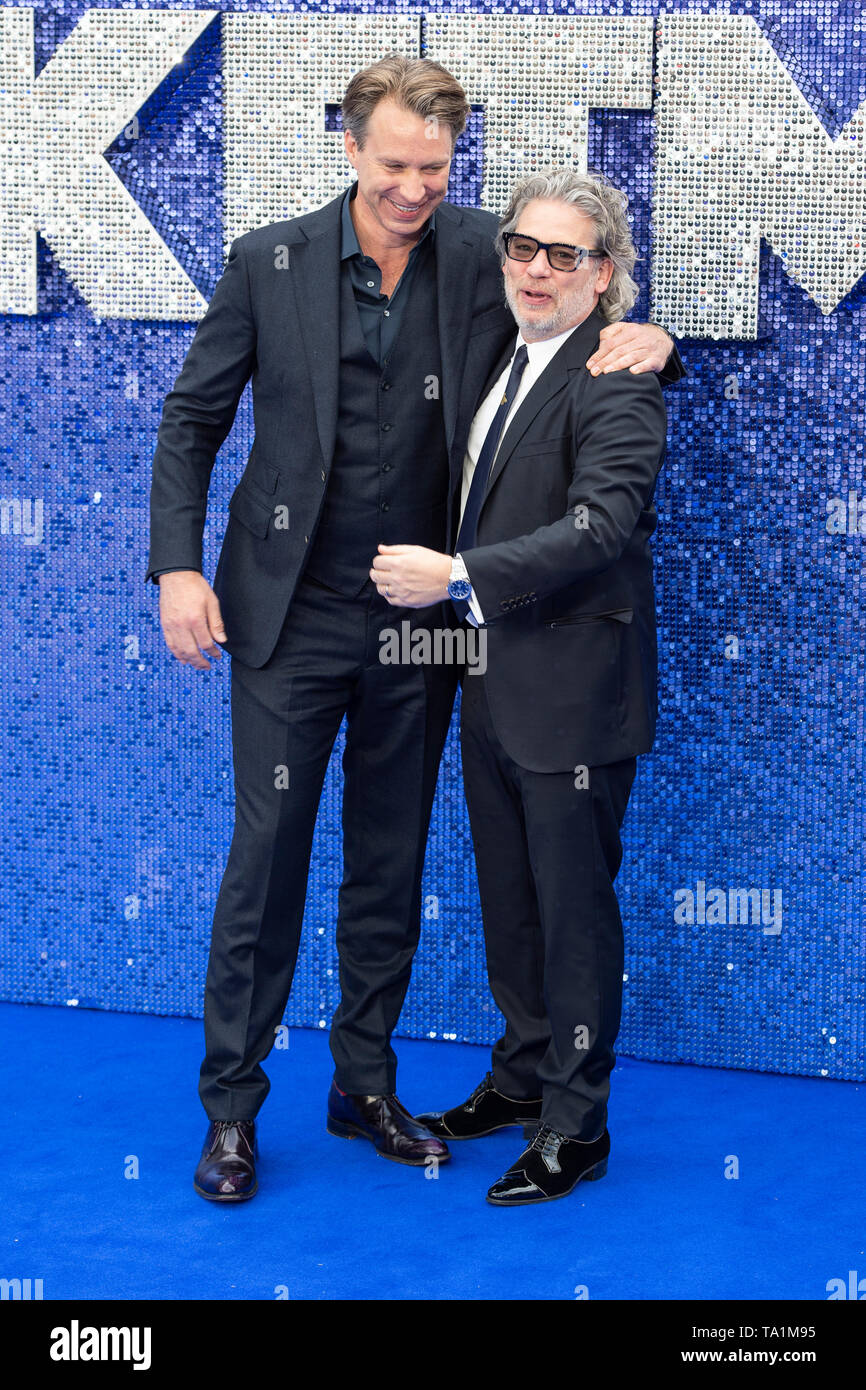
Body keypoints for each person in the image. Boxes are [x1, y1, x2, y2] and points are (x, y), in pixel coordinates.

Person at [148, 53, 681, 1202]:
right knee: (266, 861)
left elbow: (579, 303)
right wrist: (177, 567)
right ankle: (232, 1111)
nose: (413, 188)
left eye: (435, 168)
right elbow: (190, 419)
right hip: (284, 616)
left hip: (426, 626)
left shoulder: (488, 252)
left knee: (387, 861)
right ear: (349, 148)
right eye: (394, 164)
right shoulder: (266, 261)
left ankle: (363, 1083)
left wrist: (657, 340)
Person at [370, 168, 671, 1205]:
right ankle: (519, 1077)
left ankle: (576, 1124)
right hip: (487, 683)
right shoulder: (500, 347)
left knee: (572, 912)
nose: (538, 269)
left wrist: (452, 576)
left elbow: (602, 526)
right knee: (511, 898)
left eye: (566, 254)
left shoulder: (618, 376)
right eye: (523, 248)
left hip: (574, 693)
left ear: (605, 276)